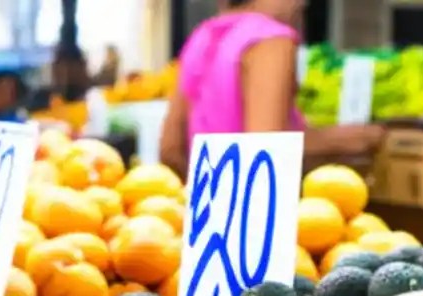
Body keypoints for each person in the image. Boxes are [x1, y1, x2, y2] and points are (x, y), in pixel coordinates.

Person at [160, 0, 385, 177]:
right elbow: (266, 148)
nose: (302, 4)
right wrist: (356, 139)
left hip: (209, 220)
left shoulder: (203, 35)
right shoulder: (270, 40)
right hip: (258, 221)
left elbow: (170, 150)